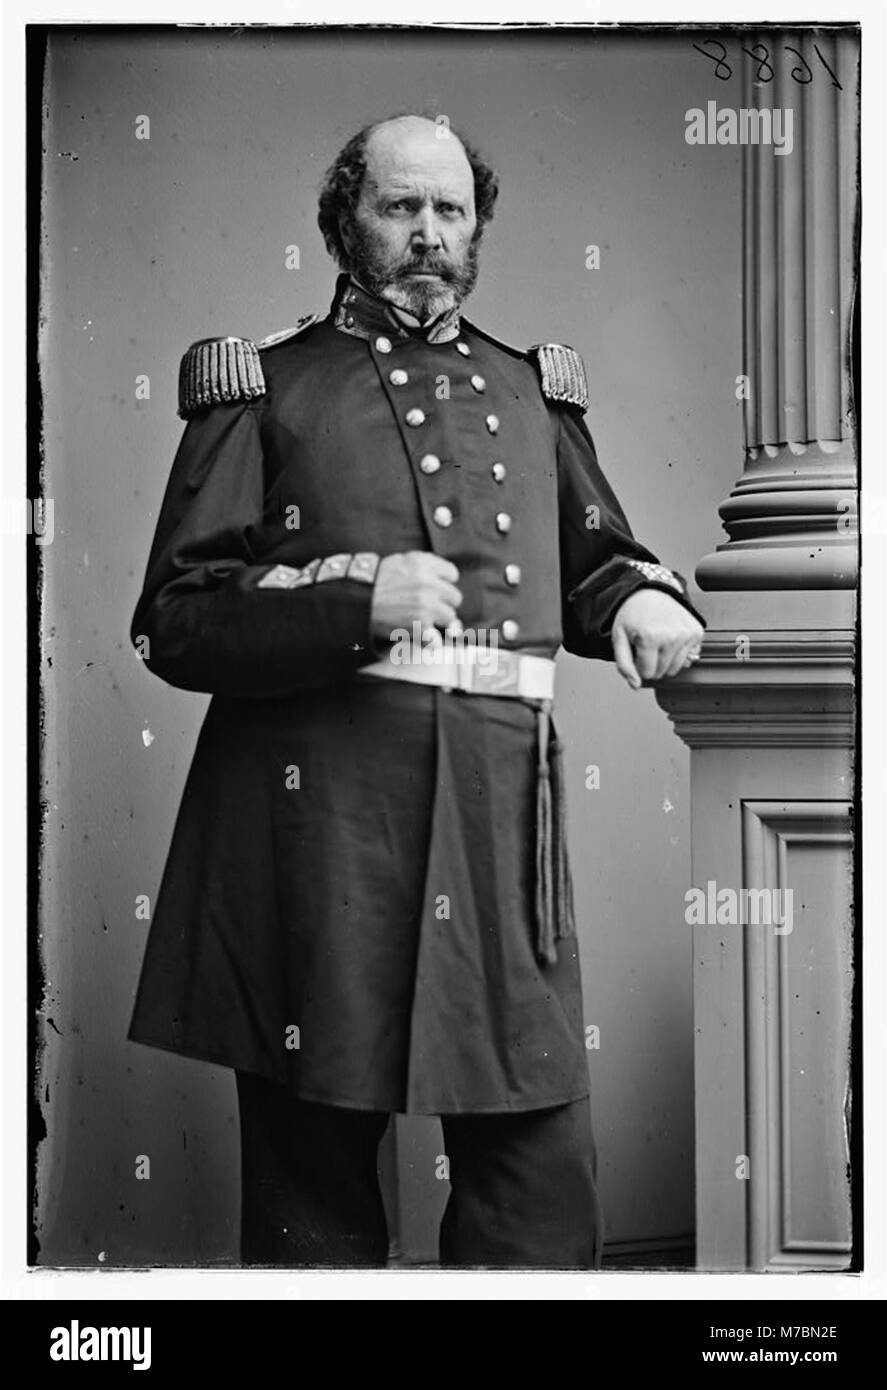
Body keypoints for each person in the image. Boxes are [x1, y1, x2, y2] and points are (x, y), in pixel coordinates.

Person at [128, 112, 705, 1269]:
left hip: (500, 825)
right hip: (321, 826)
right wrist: (354, 606)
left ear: (477, 224)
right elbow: (176, 622)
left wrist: (634, 599)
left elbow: (594, 555)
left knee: (537, 1184)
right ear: (345, 223)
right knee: (316, 1181)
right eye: (400, 206)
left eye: (450, 209)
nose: (428, 233)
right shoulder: (263, 388)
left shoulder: (529, 391)